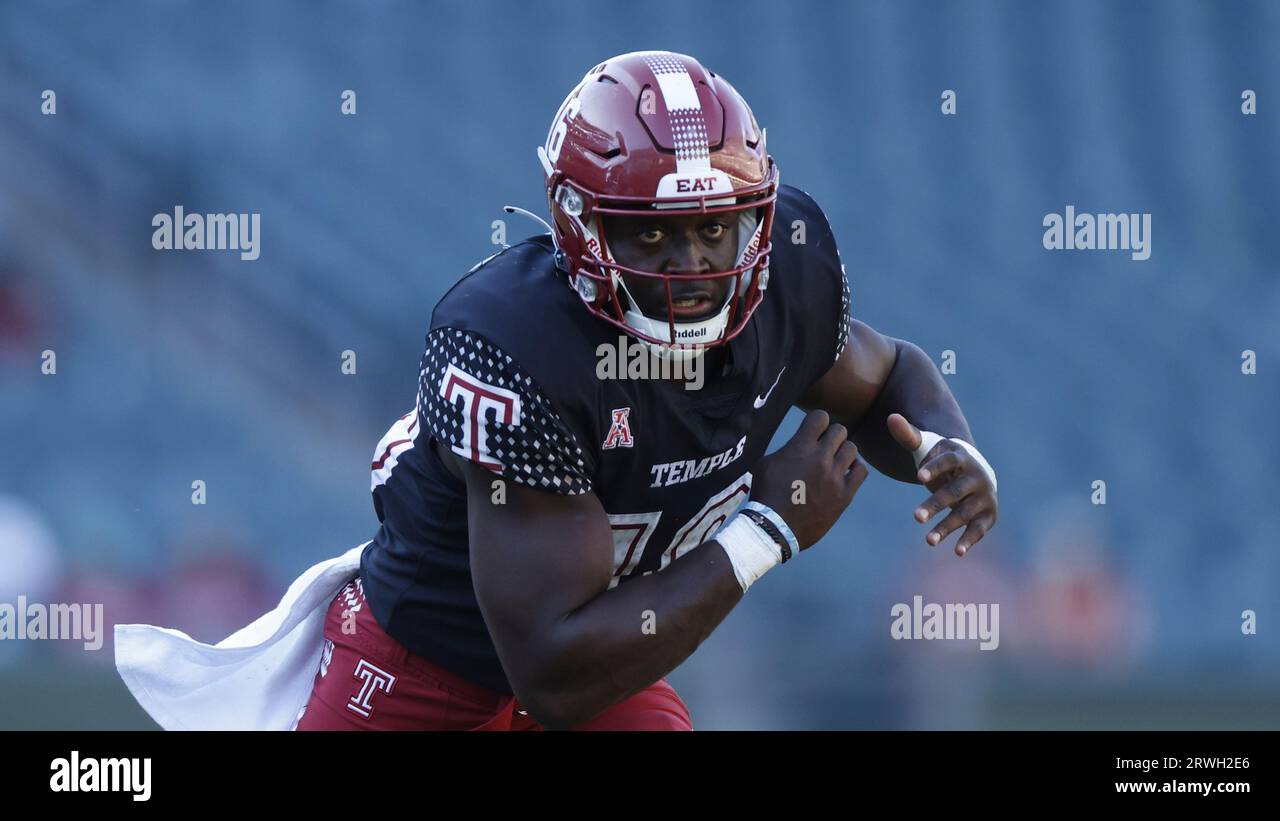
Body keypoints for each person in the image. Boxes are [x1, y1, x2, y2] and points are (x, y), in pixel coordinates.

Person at [115, 50, 998, 731]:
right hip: (433, 671)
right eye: (650, 237)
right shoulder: (514, 343)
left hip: (613, 652)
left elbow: (889, 375)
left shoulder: (788, 280)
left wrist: (945, 443)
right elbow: (550, 667)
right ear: (577, 226)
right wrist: (763, 531)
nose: (691, 267)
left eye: (715, 231)